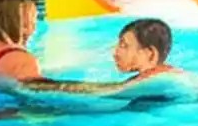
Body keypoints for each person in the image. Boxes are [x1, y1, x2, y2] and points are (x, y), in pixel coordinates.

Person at [17, 18, 180, 95]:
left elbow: (104, 91)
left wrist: (39, 86)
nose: (115, 52)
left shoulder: (154, 79)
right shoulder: (163, 75)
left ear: (149, 54)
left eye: (124, 46)